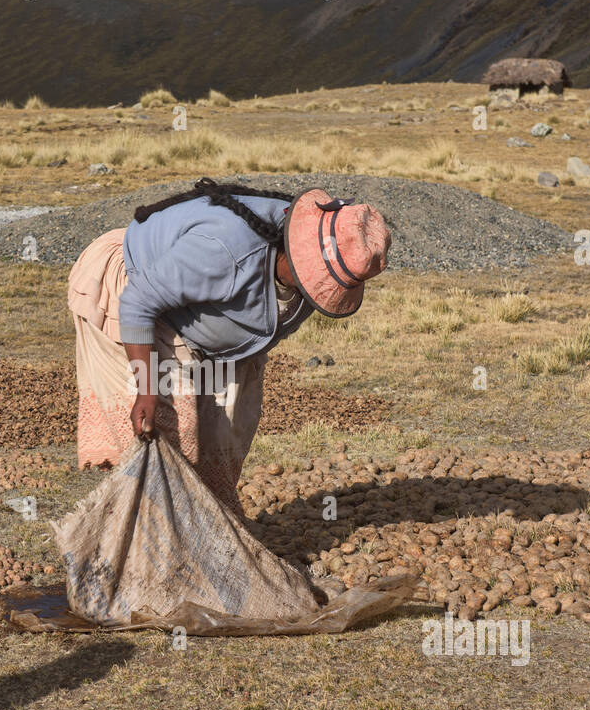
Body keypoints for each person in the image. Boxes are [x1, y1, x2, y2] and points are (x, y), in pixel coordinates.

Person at [67, 177, 391, 511]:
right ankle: (152, 542)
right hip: (133, 293)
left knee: (223, 437)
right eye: (315, 279)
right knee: (166, 434)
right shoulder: (224, 251)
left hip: (200, 319)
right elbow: (138, 302)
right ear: (293, 253)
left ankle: (205, 527)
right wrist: (146, 388)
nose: (315, 292)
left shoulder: (309, 283)